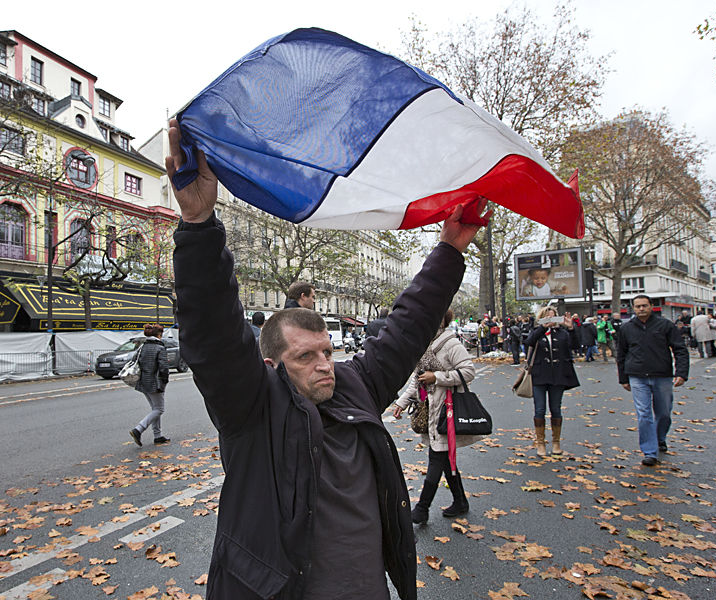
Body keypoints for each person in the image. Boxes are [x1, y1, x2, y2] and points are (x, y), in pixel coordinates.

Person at [165, 118, 488, 600]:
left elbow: (407, 325)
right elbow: (212, 332)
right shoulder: (252, 410)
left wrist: (449, 248)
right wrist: (197, 225)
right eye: (305, 356)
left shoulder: (354, 384)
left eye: (327, 352)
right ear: (272, 365)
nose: (324, 364)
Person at [391, 309, 478, 525]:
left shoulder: (451, 343)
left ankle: (422, 508)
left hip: (447, 410)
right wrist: (401, 403)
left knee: (437, 457)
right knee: (445, 458)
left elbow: (469, 371)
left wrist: (437, 377)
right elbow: (417, 378)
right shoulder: (424, 344)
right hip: (431, 409)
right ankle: (460, 501)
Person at [617, 295, 688, 466]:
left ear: (651, 306)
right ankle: (650, 451)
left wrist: (682, 373)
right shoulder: (627, 328)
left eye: (644, 306)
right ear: (633, 308)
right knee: (644, 414)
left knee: (663, 412)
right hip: (637, 375)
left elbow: (680, 349)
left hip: (661, 375)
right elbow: (621, 354)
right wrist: (623, 378)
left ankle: (659, 437)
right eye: (638, 306)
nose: (641, 309)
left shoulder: (665, 325)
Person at [523, 306, 579, 457]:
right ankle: (540, 443)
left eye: (554, 318)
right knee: (540, 409)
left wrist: (571, 328)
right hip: (539, 375)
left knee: (556, 409)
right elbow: (528, 342)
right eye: (548, 318)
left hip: (558, 375)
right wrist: (542, 328)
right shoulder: (537, 333)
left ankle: (556, 442)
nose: (551, 321)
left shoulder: (562, 333)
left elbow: (576, 346)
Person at [129, 323, 170, 447]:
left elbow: (135, 361)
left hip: (143, 382)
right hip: (156, 383)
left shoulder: (142, 347)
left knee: (155, 409)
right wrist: (164, 380)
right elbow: (163, 367)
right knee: (159, 409)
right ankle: (138, 429)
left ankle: (158, 436)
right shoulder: (160, 348)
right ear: (159, 334)